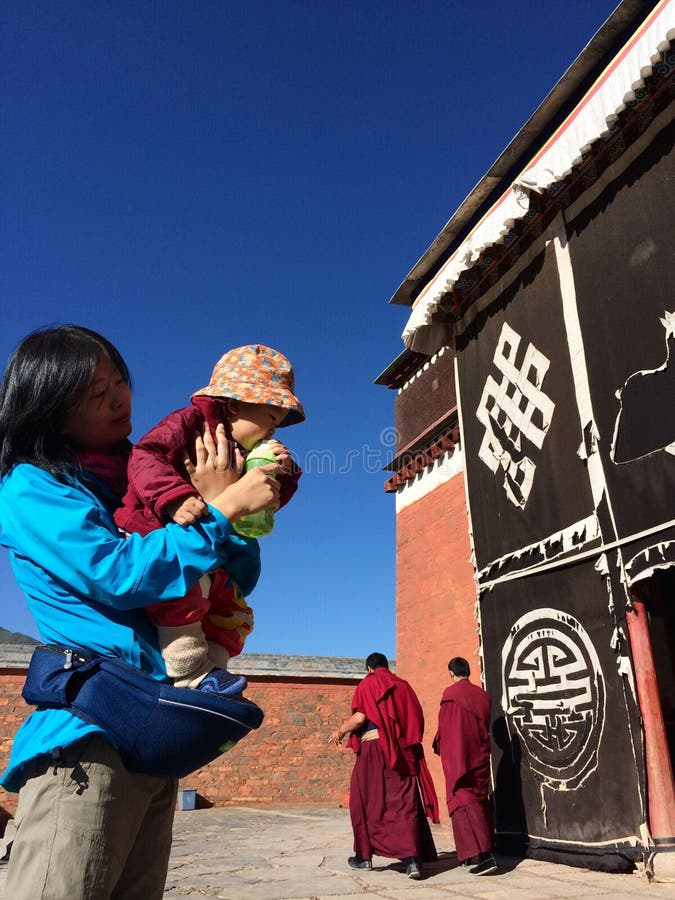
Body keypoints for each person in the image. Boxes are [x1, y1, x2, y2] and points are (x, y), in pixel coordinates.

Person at [0, 325, 279, 899]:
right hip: (88, 738)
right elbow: (119, 573)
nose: (119, 397)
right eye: (95, 391)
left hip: (153, 735)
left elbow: (240, 576)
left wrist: (223, 505)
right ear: (50, 408)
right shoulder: (33, 487)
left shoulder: (149, 471)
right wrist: (220, 511)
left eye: (120, 380)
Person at [114, 344, 304, 692]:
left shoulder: (245, 452)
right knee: (185, 592)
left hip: (212, 550)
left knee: (231, 610)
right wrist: (174, 497)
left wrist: (283, 472)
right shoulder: (189, 424)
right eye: (271, 419)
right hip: (162, 536)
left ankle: (213, 672)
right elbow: (145, 456)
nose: (273, 432)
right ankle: (187, 670)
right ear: (234, 405)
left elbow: (267, 501)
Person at [329, 652, 439, 880]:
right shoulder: (404, 686)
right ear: (386, 666)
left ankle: (364, 856)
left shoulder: (369, 683)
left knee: (363, 800)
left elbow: (360, 718)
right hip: (403, 751)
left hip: (374, 751)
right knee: (404, 802)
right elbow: (416, 718)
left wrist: (340, 731)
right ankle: (412, 861)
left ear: (369, 668)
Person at [433, 656, 497, 875]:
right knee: (479, 799)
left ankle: (486, 855)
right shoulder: (483, 696)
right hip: (480, 755)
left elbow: (447, 727)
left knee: (464, 800)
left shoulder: (450, 695)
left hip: (460, 757)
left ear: (451, 673)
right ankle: (470, 855)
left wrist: (443, 746)